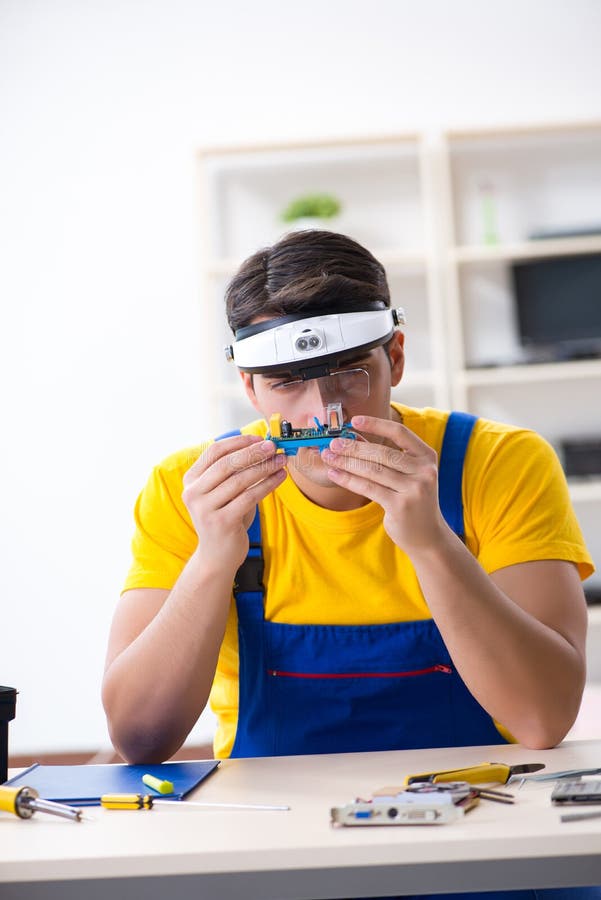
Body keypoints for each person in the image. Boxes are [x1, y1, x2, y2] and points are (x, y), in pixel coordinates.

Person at [103, 229, 593, 769]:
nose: (323, 413)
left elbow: (543, 719)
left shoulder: (501, 463)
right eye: (286, 382)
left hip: (474, 796)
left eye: (349, 372)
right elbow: (139, 739)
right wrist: (213, 559)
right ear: (249, 388)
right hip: (272, 811)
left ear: (396, 358)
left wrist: (432, 544)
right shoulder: (189, 489)